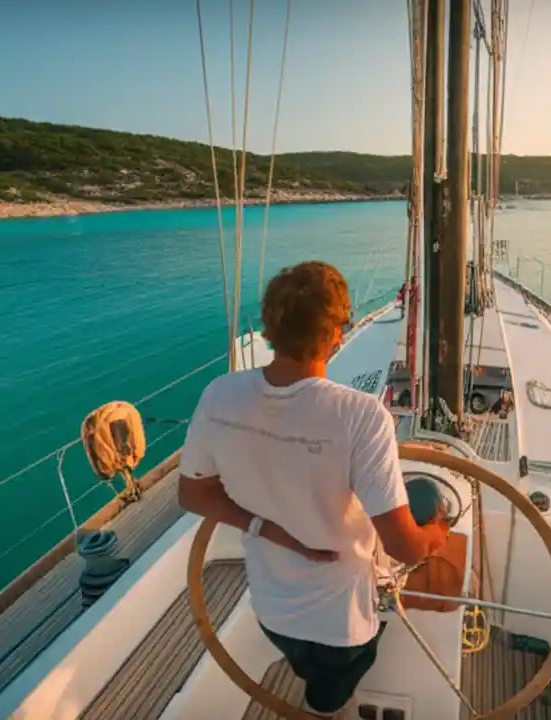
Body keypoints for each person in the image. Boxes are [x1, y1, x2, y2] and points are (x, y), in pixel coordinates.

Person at [177, 261, 450, 717]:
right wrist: (435, 536)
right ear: (337, 334)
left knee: (307, 669)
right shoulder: (360, 416)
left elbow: (193, 494)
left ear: (269, 328)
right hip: (340, 628)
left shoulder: (219, 397)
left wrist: (265, 527)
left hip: (270, 613)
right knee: (331, 699)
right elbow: (404, 548)